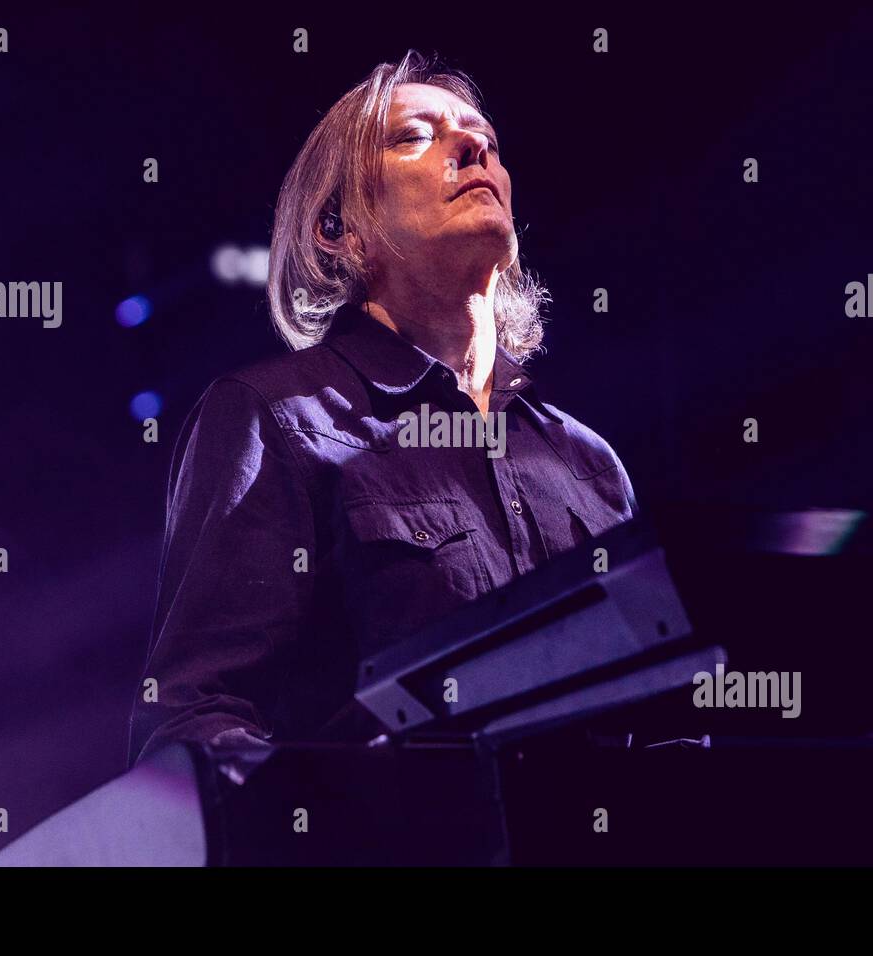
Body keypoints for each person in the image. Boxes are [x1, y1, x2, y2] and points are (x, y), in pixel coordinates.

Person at [127, 50, 637, 768]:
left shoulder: (590, 466)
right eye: (415, 136)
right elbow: (193, 717)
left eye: (483, 135)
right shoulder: (275, 419)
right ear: (339, 230)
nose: (475, 146)